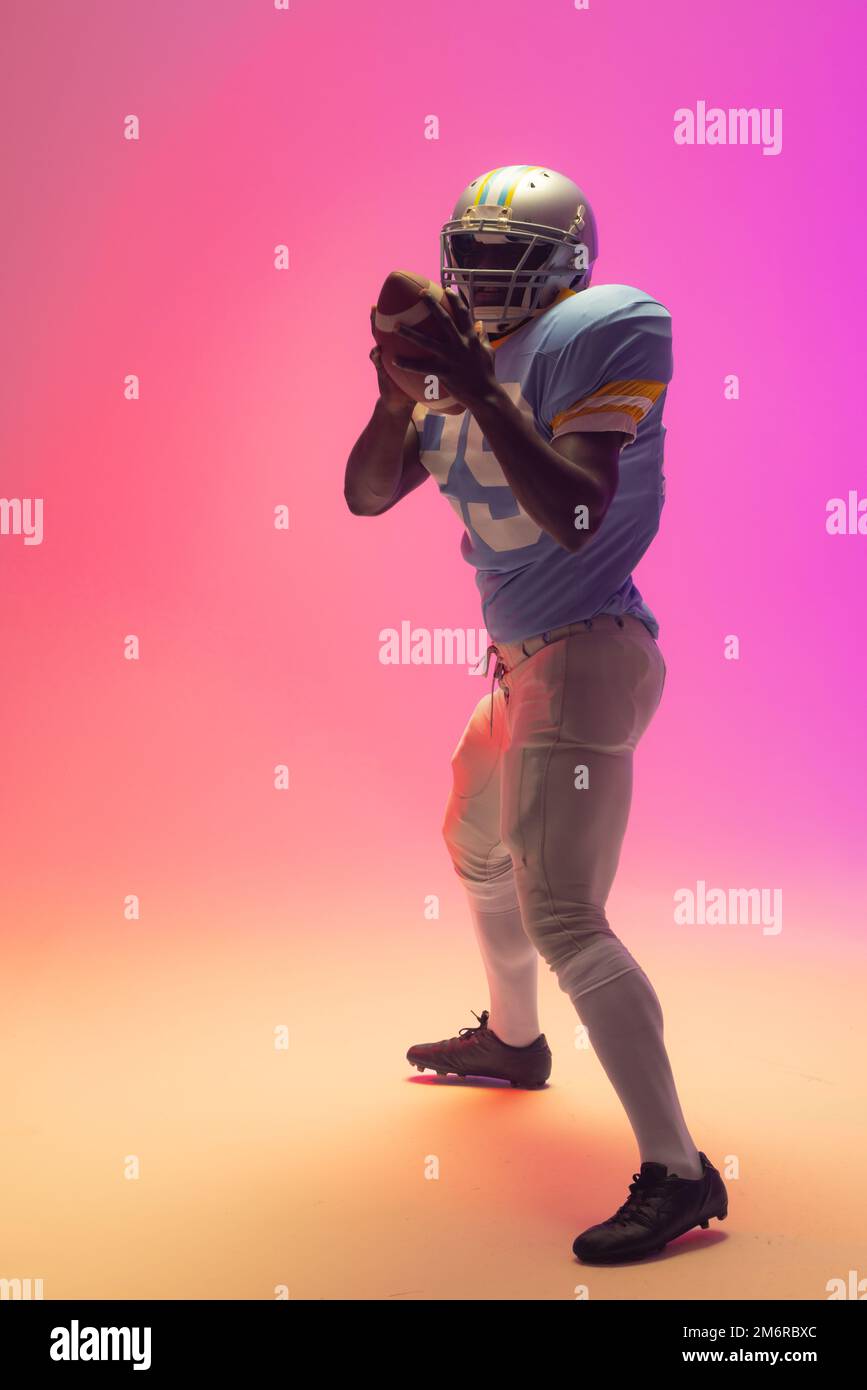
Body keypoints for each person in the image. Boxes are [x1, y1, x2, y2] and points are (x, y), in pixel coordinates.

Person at [344, 165, 727, 1263]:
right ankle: (515, 1043)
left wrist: (474, 382)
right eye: (474, 255)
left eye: (512, 261)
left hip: (591, 654)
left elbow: (571, 510)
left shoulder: (610, 327)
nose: (483, 279)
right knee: (473, 837)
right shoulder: (467, 362)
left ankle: (681, 1170)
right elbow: (368, 495)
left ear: (564, 269)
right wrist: (396, 397)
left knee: (563, 910)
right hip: (524, 671)